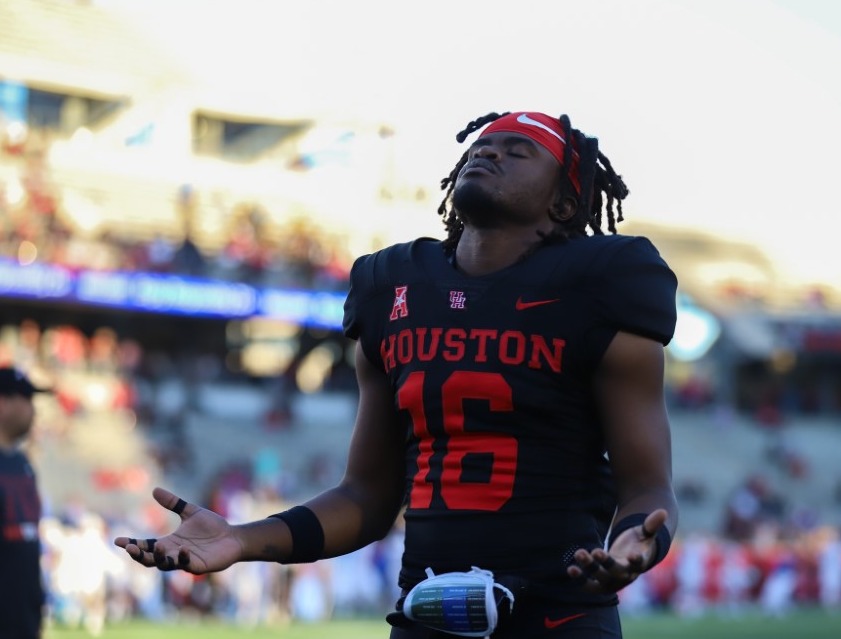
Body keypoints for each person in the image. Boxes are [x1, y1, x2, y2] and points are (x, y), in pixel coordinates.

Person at [115, 111, 679, 638]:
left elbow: (648, 485)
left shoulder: (601, 285)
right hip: (427, 613)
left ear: (562, 201)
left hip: (559, 615)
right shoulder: (391, 287)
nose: (489, 154)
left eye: (518, 150)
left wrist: (636, 544)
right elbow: (366, 497)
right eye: (481, 146)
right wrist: (242, 538)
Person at [0, 366, 49, 639]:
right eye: (26, 399)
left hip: (22, 625)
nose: (34, 410)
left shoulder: (22, 463)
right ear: (1, 404)